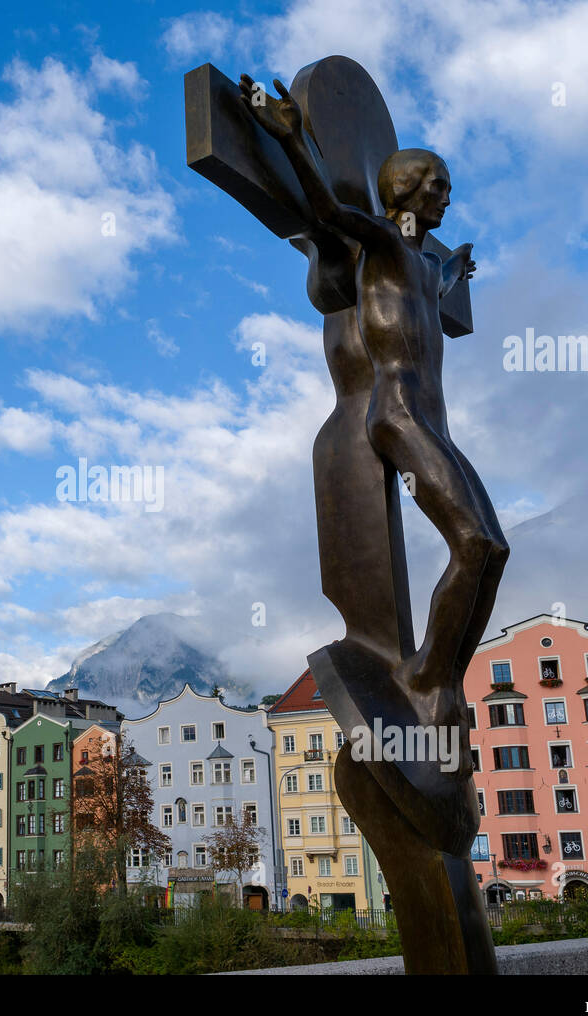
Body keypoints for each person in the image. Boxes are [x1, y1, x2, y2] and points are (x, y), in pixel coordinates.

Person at [241, 75, 508, 703]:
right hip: (397, 415)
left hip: (434, 424)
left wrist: (456, 267)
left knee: (491, 549)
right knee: (471, 542)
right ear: (407, 188)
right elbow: (333, 214)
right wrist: (292, 140)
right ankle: (425, 677)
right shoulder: (384, 244)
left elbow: (437, 283)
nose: (447, 196)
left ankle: (441, 677)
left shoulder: (423, 266)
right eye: (437, 185)